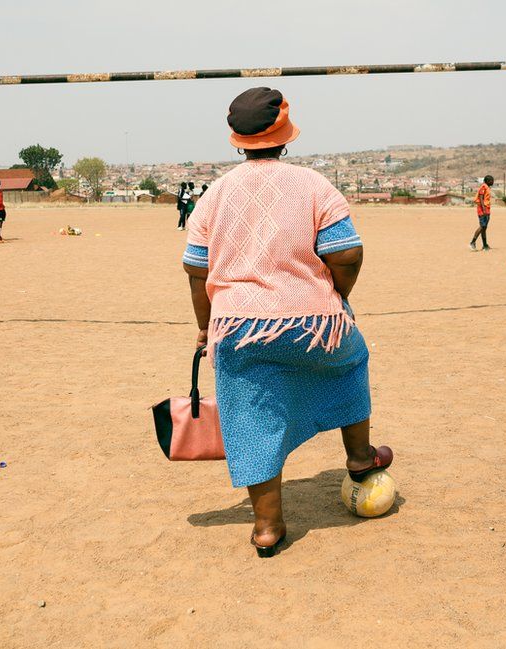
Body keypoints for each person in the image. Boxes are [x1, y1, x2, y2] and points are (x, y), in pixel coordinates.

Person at [182, 87, 391, 558]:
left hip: (237, 326)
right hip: (313, 323)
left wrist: (205, 325)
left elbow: (196, 268)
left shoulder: (214, 194)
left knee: (249, 415)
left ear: (236, 138)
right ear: (285, 134)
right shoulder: (315, 185)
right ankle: (360, 456)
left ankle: (266, 528)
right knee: (351, 360)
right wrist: (337, 297)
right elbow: (348, 254)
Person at [470, 175, 494, 250]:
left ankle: (485, 245)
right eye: (491, 180)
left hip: (486, 209)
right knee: (482, 226)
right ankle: (472, 242)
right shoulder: (483, 187)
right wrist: (483, 209)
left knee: (484, 228)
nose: (493, 182)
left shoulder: (487, 187)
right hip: (482, 209)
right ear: (487, 181)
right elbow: (480, 197)